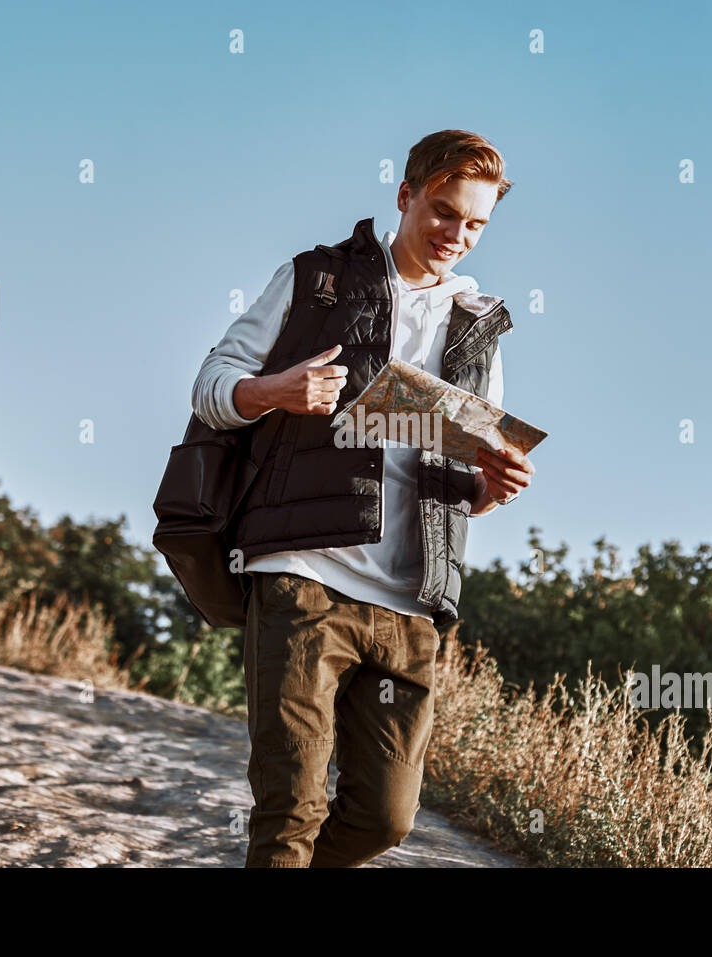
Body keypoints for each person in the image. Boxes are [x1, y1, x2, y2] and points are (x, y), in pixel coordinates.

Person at [190, 129, 535, 867]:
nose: (457, 236)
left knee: (386, 818)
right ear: (405, 195)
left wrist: (491, 490)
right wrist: (272, 390)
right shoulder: (315, 278)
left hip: (412, 604)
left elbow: (466, 482)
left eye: (475, 224)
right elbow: (211, 386)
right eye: (444, 212)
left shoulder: (480, 327)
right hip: (303, 577)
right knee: (291, 805)